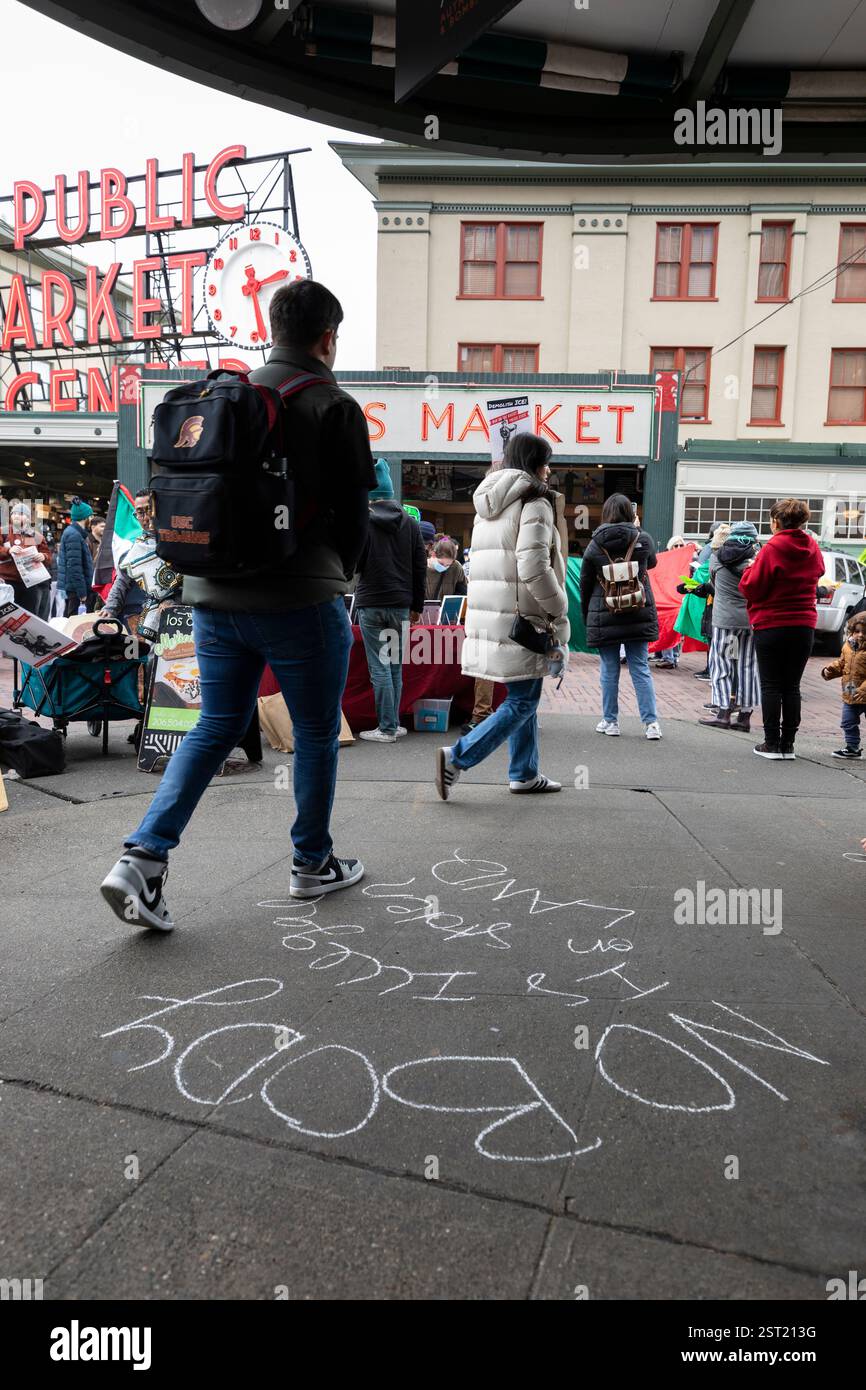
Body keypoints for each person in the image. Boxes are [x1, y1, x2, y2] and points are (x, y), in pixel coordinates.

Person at [99, 279, 378, 930]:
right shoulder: (332, 405)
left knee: (214, 726)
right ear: (328, 338)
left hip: (213, 598)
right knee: (313, 734)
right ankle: (312, 862)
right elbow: (355, 517)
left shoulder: (224, 397)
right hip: (303, 597)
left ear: (272, 327)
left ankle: (142, 857)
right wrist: (341, 575)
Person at [435, 432, 569, 799]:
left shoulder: (487, 502)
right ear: (537, 464)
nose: (549, 469)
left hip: (496, 619)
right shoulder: (535, 502)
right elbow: (533, 567)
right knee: (524, 700)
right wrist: (559, 609)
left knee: (525, 693)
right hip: (525, 617)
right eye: (547, 461)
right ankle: (458, 757)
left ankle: (524, 772)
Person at [739, 498, 825, 760]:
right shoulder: (812, 545)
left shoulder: (773, 547)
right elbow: (819, 570)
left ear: (776, 521)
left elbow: (751, 586)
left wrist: (750, 569)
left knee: (771, 684)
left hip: (772, 622)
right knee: (792, 686)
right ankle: (788, 744)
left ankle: (771, 743)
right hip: (803, 624)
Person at [354, 458, 426, 743]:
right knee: (394, 665)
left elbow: (356, 564)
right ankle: (393, 723)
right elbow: (420, 567)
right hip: (401, 605)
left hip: (371, 603)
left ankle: (386, 728)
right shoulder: (410, 523)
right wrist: (417, 606)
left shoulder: (363, 523)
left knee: (379, 667)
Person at [581, 493, 662, 740]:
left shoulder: (595, 544)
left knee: (609, 668)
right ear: (631, 513)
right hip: (638, 609)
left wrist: (588, 614)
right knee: (640, 667)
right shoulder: (642, 538)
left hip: (605, 611)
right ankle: (651, 724)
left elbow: (585, 582)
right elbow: (653, 563)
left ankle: (610, 720)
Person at [699, 521, 761, 732]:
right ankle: (744, 717)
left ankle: (724, 712)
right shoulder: (758, 560)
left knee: (723, 665)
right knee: (748, 667)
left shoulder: (717, 557)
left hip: (725, 622)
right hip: (750, 621)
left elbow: (715, 586)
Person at [821, 613, 866, 759]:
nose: (860, 635)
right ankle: (852, 748)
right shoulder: (847, 647)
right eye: (857, 631)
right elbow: (842, 664)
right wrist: (829, 671)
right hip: (851, 692)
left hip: (864, 691)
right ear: (851, 631)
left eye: (865, 632)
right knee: (847, 722)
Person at [0, 503, 52, 619]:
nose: (17, 516)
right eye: (14, 513)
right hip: (8, 581)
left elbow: (48, 556)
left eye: (21, 514)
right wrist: (8, 550)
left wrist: (43, 556)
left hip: (31, 583)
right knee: (5, 616)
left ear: (28, 518)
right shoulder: (3, 532)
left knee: (28, 616)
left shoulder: (36, 535)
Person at [653, 534, 688, 670]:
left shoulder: (686, 562)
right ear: (670, 547)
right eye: (676, 545)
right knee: (667, 628)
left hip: (678, 601)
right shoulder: (665, 561)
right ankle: (668, 656)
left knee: (673, 628)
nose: (679, 548)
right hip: (666, 599)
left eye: (681, 545)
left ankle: (670, 657)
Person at [57, 499, 94, 617]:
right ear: (85, 517)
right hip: (75, 591)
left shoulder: (74, 533)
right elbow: (74, 567)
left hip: (74, 589)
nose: (92, 518)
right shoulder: (73, 535)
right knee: (73, 624)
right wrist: (82, 593)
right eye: (91, 515)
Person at [426, 537, 467, 602]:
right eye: (441, 564)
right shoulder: (419, 567)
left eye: (448, 565)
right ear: (433, 555)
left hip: (447, 610)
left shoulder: (456, 567)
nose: (444, 567)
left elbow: (462, 592)